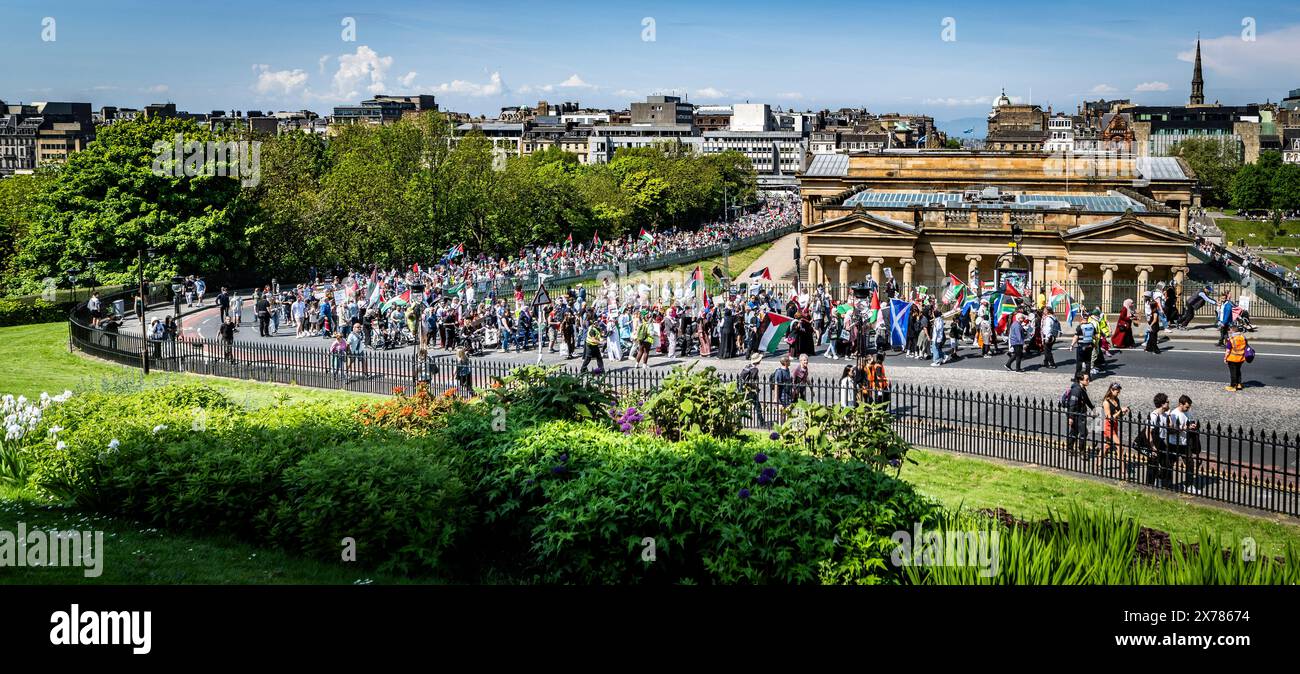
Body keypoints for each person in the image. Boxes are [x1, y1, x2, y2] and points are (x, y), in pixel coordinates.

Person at [1095, 382, 1129, 471]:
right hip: (1108, 426)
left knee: (1107, 445)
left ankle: (1098, 464)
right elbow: (1109, 417)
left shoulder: (1117, 400)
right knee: (1119, 446)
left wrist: (1123, 413)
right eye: (1117, 391)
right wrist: (1120, 411)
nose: (1118, 393)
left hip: (1115, 425)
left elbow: (1118, 415)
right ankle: (1123, 469)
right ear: (1111, 390)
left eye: (1119, 391)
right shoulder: (1106, 402)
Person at [1145, 393, 1173, 489]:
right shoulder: (1153, 416)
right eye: (1167, 402)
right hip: (1154, 444)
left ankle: (1160, 480)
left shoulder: (1165, 415)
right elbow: (1148, 432)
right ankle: (1150, 485)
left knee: (1167, 465)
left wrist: (1169, 416)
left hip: (1162, 443)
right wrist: (1152, 447)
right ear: (1162, 404)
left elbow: (1171, 428)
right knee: (1152, 466)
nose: (1169, 403)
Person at [1174, 395, 1201, 493]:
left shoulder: (1188, 412)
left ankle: (1189, 485)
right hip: (1174, 443)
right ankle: (1162, 481)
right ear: (1180, 404)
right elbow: (1171, 431)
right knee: (1167, 464)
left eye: (1189, 407)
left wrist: (1192, 425)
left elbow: (1190, 422)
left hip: (1185, 444)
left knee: (1190, 464)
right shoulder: (1174, 414)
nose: (1188, 409)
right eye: (1186, 407)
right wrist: (1183, 428)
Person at [1065, 372, 1094, 456]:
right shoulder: (1076, 390)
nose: (1089, 381)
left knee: (1074, 432)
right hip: (1077, 414)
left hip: (1079, 413)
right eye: (1087, 379)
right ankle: (1082, 451)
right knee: (1083, 433)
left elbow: (1086, 398)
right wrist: (1070, 417)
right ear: (1080, 380)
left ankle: (1070, 449)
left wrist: (1092, 407)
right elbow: (1072, 404)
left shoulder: (1082, 388)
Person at [740, 353, 765, 425]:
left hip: (744, 389)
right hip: (750, 390)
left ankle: (739, 420)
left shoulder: (747, 366)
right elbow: (751, 381)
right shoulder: (755, 369)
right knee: (758, 406)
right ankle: (761, 422)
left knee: (743, 406)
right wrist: (756, 388)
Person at [1071, 312, 1097, 378]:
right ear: (1087, 318)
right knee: (1088, 362)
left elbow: (1076, 337)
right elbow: (1095, 336)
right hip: (1090, 346)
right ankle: (1088, 377)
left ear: (1082, 318)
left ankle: (1077, 378)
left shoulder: (1080, 327)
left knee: (1079, 363)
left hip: (1081, 347)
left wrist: (1072, 345)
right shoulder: (1092, 326)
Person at [1224, 325, 1248, 391]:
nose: (1229, 331)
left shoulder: (1231, 339)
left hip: (1232, 358)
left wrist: (1225, 358)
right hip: (1241, 358)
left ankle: (1233, 386)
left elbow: (1228, 350)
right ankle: (1239, 384)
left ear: (1233, 330)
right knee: (1238, 371)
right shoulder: (1243, 337)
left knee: (1233, 373)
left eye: (1230, 330)